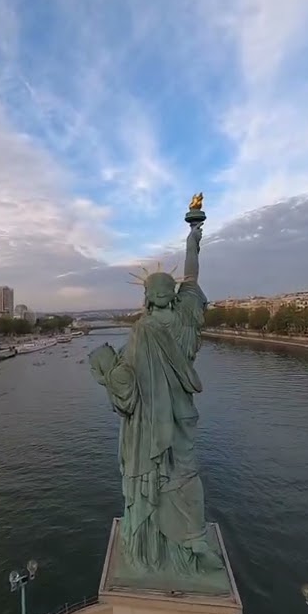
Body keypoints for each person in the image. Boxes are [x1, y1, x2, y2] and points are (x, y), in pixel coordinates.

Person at [88, 220, 222, 576]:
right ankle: (192, 543)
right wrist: (193, 242)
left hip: (156, 422)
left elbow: (126, 385)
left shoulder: (145, 330)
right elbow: (192, 276)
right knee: (188, 478)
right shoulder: (184, 318)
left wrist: (110, 375)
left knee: (170, 480)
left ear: (146, 298)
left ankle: (172, 545)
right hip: (177, 417)